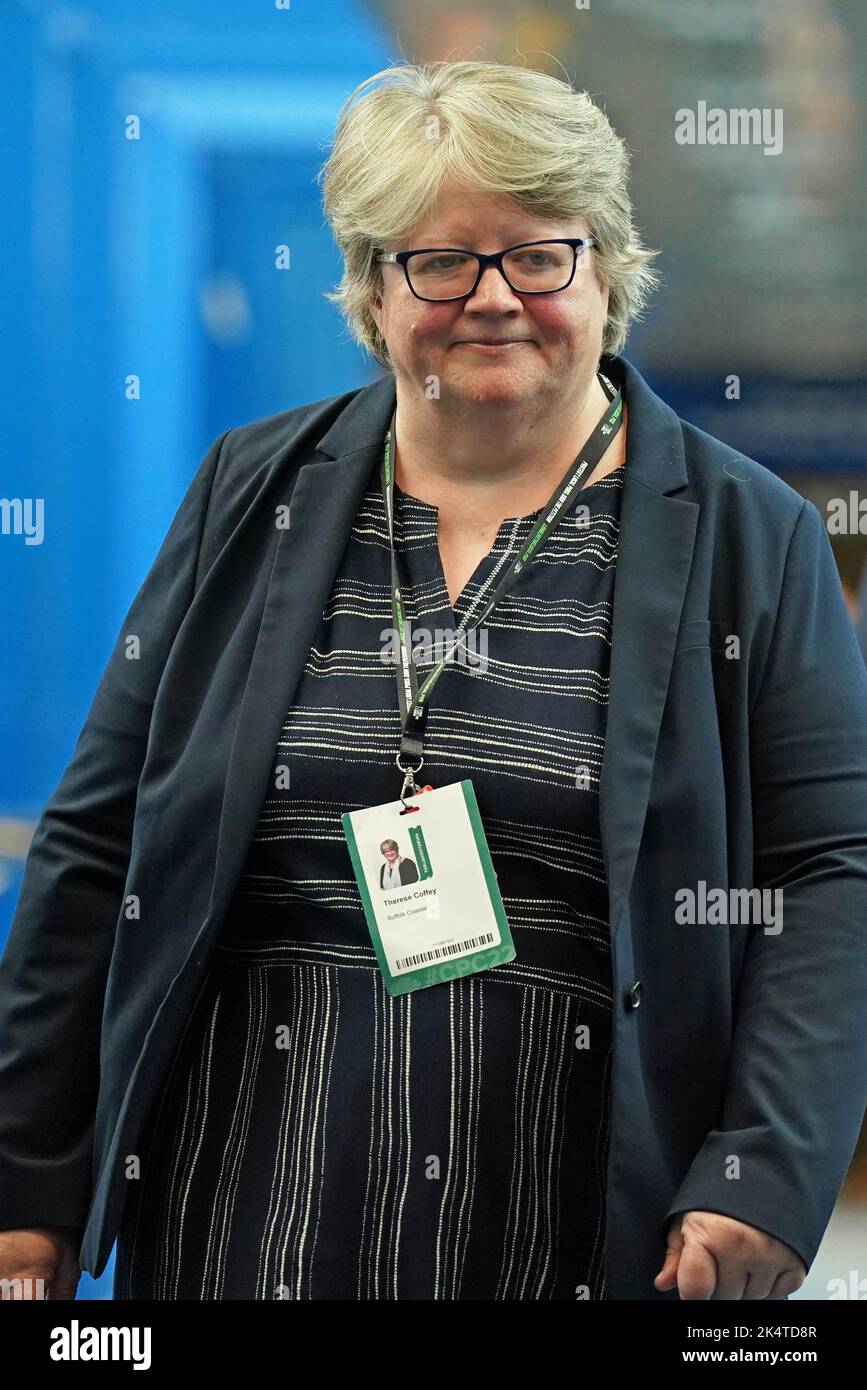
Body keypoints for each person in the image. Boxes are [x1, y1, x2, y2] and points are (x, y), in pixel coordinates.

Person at [1, 59, 866, 1303]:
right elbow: (94, 846)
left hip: (577, 1229)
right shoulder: (254, 489)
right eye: (440, 262)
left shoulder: (749, 535)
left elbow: (830, 873)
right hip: (238, 1222)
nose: (494, 298)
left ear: (608, 269)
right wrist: (26, 1180)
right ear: (370, 287)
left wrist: (767, 1172)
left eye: (539, 255)